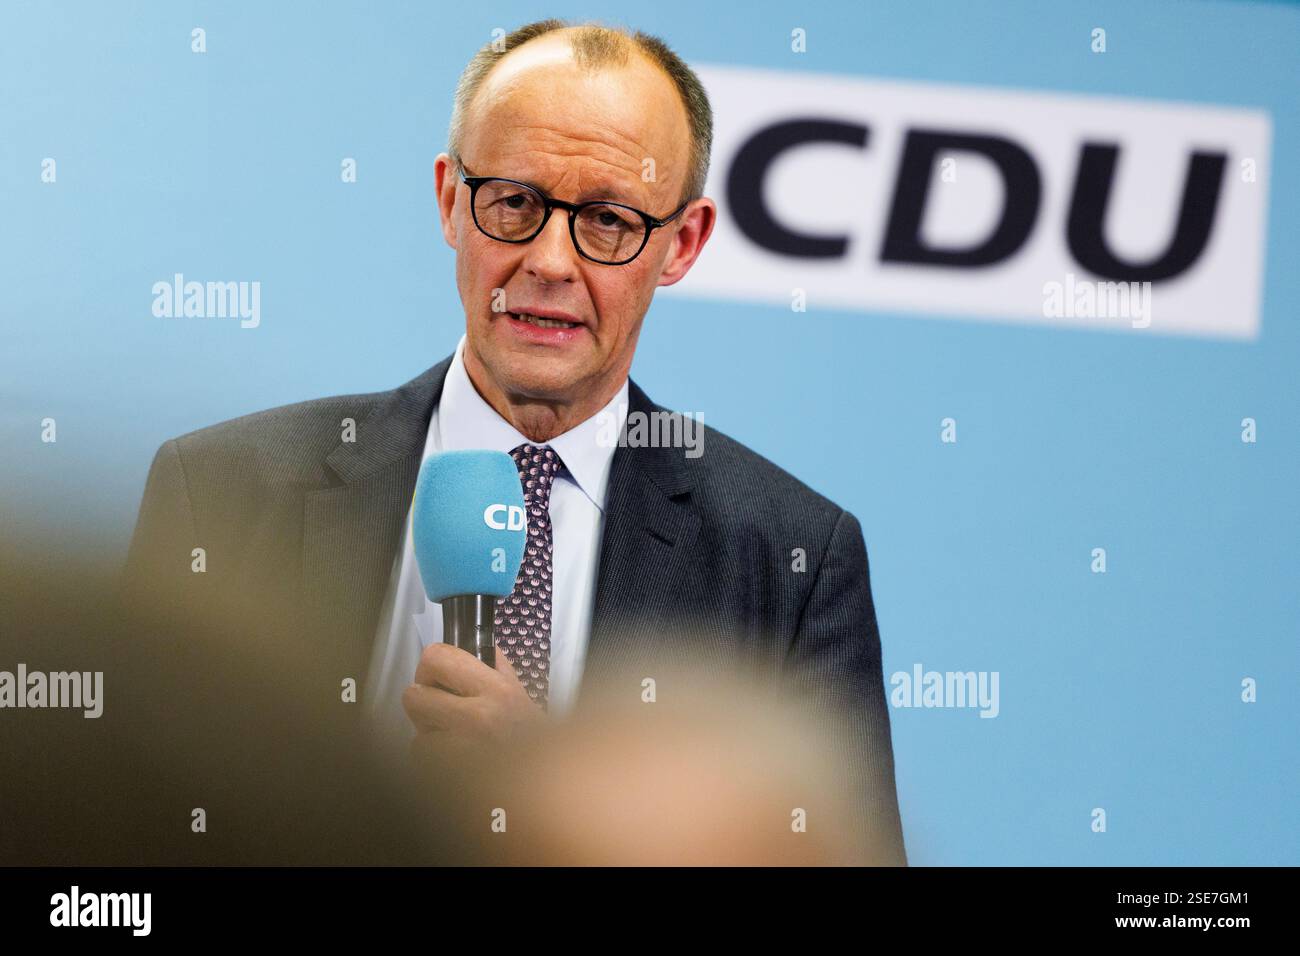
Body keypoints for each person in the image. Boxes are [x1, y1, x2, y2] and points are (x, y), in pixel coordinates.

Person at [125, 18, 907, 865]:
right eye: (516, 203)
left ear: (681, 243)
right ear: (450, 201)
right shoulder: (221, 493)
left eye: (607, 220)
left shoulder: (789, 563)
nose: (550, 261)